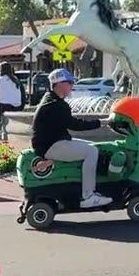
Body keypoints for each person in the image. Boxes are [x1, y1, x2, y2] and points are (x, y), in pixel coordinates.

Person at [31, 68, 111, 208]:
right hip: (51, 146)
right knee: (91, 151)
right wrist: (101, 122)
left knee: (94, 147)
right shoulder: (56, 105)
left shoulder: (50, 99)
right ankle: (88, 196)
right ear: (59, 84)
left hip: (52, 143)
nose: (72, 85)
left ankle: (86, 187)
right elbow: (75, 125)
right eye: (69, 82)